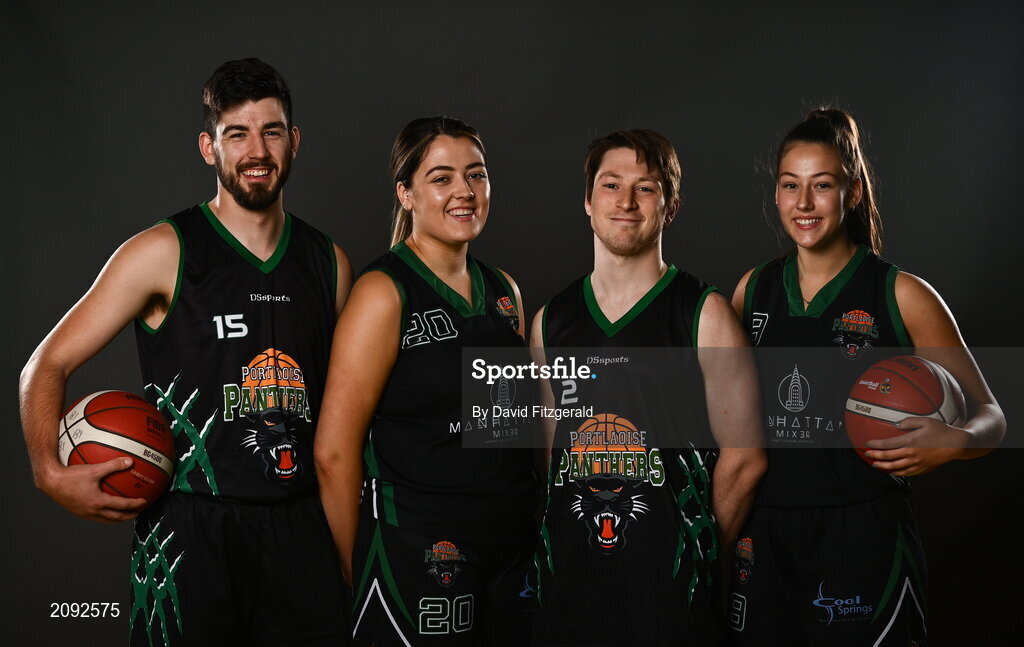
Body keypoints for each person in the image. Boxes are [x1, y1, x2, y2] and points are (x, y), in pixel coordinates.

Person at [19, 58, 352, 646]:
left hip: (301, 526)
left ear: (294, 141)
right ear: (208, 147)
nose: (257, 151)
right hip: (189, 528)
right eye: (236, 133)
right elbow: (46, 364)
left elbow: (349, 418)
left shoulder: (329, 262)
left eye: (272, 131)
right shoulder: (162, 252)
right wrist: (47, 470)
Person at [726, 109, 1006, 646]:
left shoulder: (900, 294)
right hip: (762, 533)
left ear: (851, 192)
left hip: (861, 534)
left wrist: (956, 440)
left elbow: (992, 417)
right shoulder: (752, 290)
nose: (803, 203)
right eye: (790, 185)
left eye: (822, 185)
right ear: (777, 194)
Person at [530, 129, 767, 646]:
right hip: (570, 586)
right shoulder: (550, 321)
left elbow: (746, 458)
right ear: (587, 201)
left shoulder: (705, 314)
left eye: (646, 187)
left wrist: (698, 549)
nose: (626, 201)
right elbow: (552, 457)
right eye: (611, 185)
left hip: (669, 595)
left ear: (670, 207)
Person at [314, 116, 538, 647]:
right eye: (442, 178)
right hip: (417, 549)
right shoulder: (383, 292)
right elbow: (333, 453)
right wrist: (357, 565)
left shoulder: (504, 291)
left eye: (476, 174)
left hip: (510, 550)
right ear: (406, 194)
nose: (465, 191)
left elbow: (502, 428)